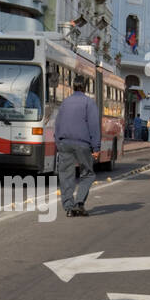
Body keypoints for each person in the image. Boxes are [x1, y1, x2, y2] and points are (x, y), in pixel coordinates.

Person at [55, 75, 100, 216]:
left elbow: (57, 124)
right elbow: (94, 126)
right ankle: (79, 203)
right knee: (87, 174)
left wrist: (58, 143)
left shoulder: (65, 102)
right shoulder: (89, 102)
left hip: (64, 143)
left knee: (66, 176)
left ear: (73, 86)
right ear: (85, 87)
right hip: (82, 144)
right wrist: (96, 147)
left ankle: (69, 208)